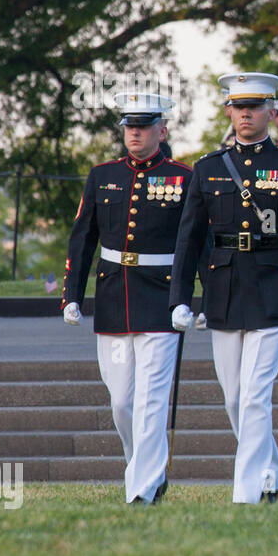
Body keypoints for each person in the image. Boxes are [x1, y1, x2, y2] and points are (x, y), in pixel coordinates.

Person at [170, 72, 278, 504]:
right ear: (229, 111)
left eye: (256, 106)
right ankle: (272, 481)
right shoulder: (207, 169)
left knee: (254, 397)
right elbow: (189, 239)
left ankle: (244, 494)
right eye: (239, 106)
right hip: (224, 289)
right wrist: (180, 299)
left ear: (270, 112)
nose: (246, 113)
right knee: (234, 399)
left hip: (273, 288)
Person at [60, 91, 190, 506]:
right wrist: (71, 295)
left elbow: (195, 242)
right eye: (129, 127)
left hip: (161, 297)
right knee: (121, 403)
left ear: (161, 130)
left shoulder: (183, 177)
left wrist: (191, 297)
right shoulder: (102, 176)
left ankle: (142, 488)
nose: (135, 133)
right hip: (114, 296)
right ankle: (145, 467)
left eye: (144, 126)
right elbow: (83, 240)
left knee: (151, 400)